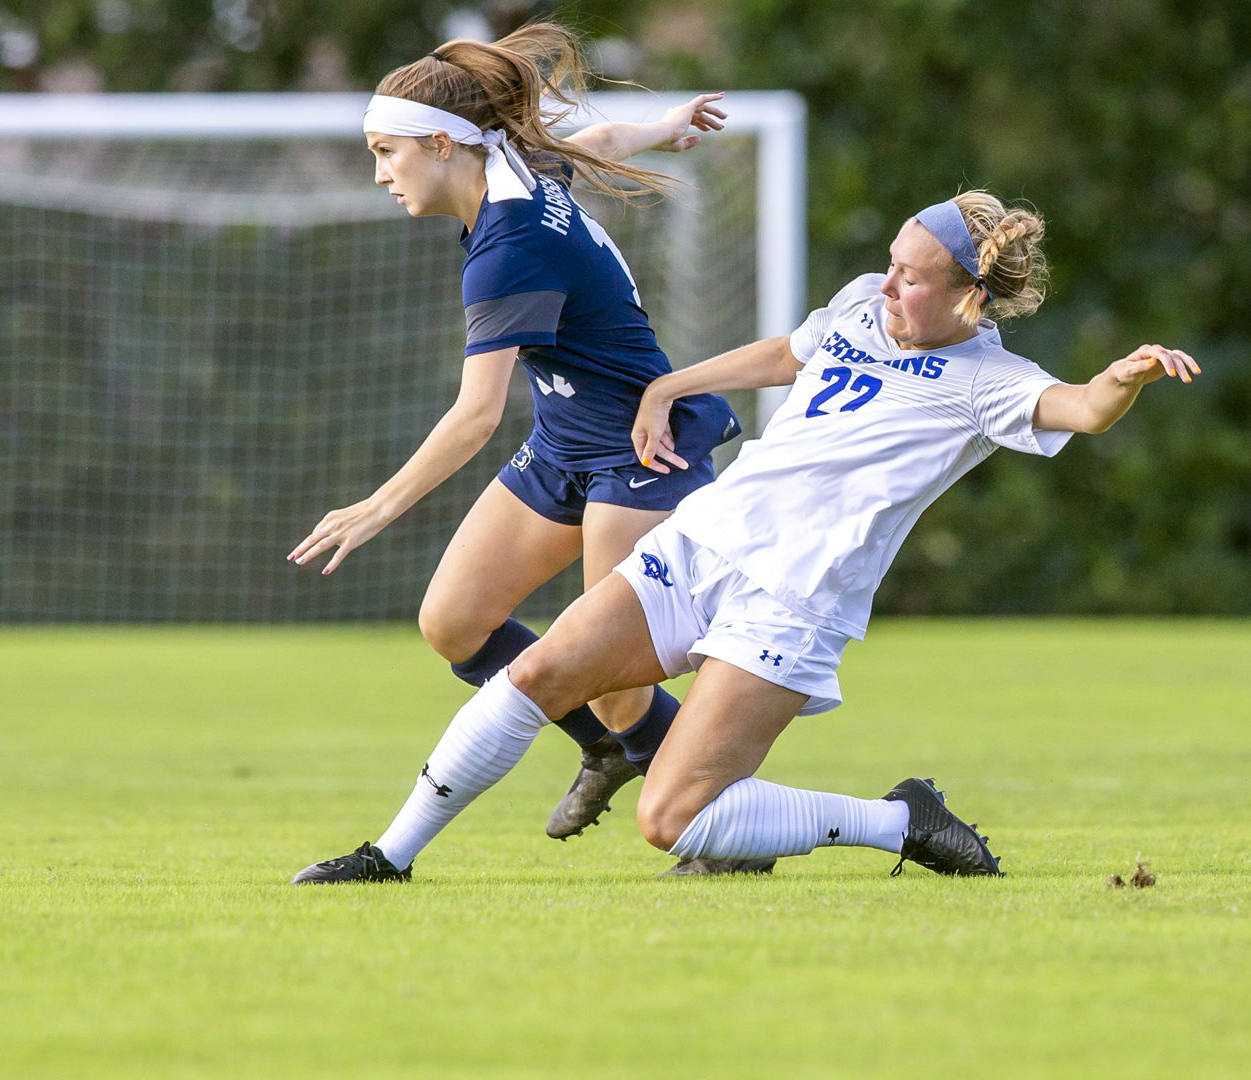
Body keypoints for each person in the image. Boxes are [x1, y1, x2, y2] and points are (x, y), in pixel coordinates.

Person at [294, 191, 1201, 884]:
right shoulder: (858, 303)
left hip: (795, 599)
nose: (888, 283)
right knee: (536, 673)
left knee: (673, 819)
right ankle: (390, 857)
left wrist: (1122, 377)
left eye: (914, 278)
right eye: (891, 262)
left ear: (971, 297)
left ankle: (904, 822)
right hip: (706, 541)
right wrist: (668, 386)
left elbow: (1081, 410)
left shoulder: (989, 381)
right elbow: (784, 355)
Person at [288, 24, 742, 842]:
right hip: (567, 444)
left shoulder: (509, 244)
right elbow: (597, 138)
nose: (380, 173)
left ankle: (728, 821)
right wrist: (662, 128)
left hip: (640, 454)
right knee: (454, 622)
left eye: (387, 152)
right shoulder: (510, 173)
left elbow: (477, 416)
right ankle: (609, 750)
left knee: (613, 676)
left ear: (440, 142)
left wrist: (373, 509)